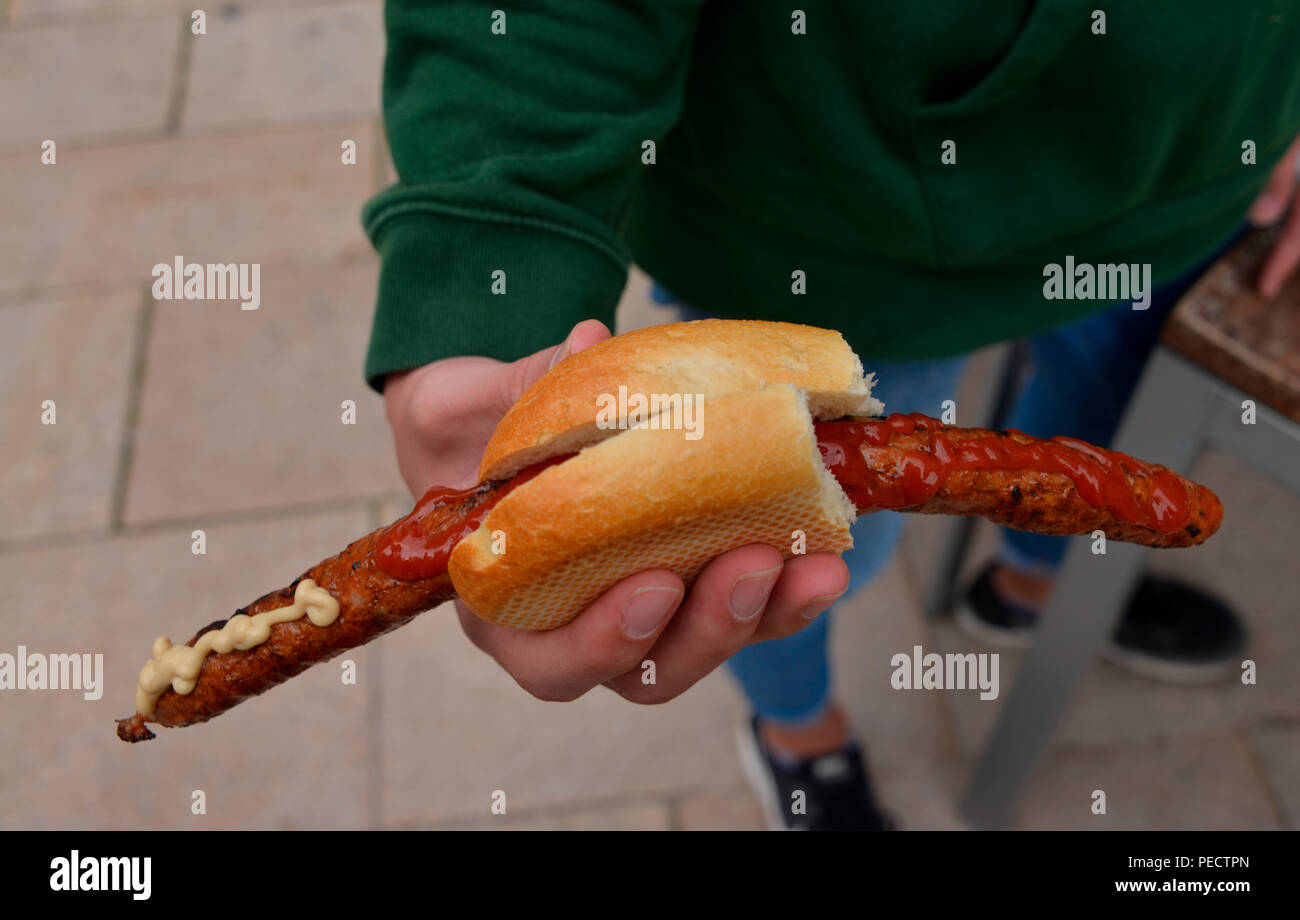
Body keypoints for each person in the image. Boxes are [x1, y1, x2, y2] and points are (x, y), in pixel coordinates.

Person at [366, 2, 1300, 830]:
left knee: (1099, 424)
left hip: (1204, 179)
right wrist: (484, 290)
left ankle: (1030, 594)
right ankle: (800, 740)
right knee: (785, 563)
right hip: (832, 226)